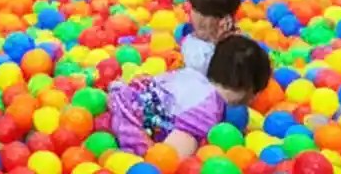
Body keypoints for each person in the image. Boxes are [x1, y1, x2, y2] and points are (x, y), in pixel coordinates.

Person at [105, 35, 272, 157]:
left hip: (130, 96)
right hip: (136, 122)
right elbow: (175, 141)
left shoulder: (194, 74)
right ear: (249, 91)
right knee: (189, 139)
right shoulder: (209, 110)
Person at [178, 0, 242, 75]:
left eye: (205, 13)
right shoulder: (191, 43)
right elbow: (197, 69)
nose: (198, 18)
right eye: (195, 8)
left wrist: (221, 44)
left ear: (225, 20)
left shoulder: (240, 46)